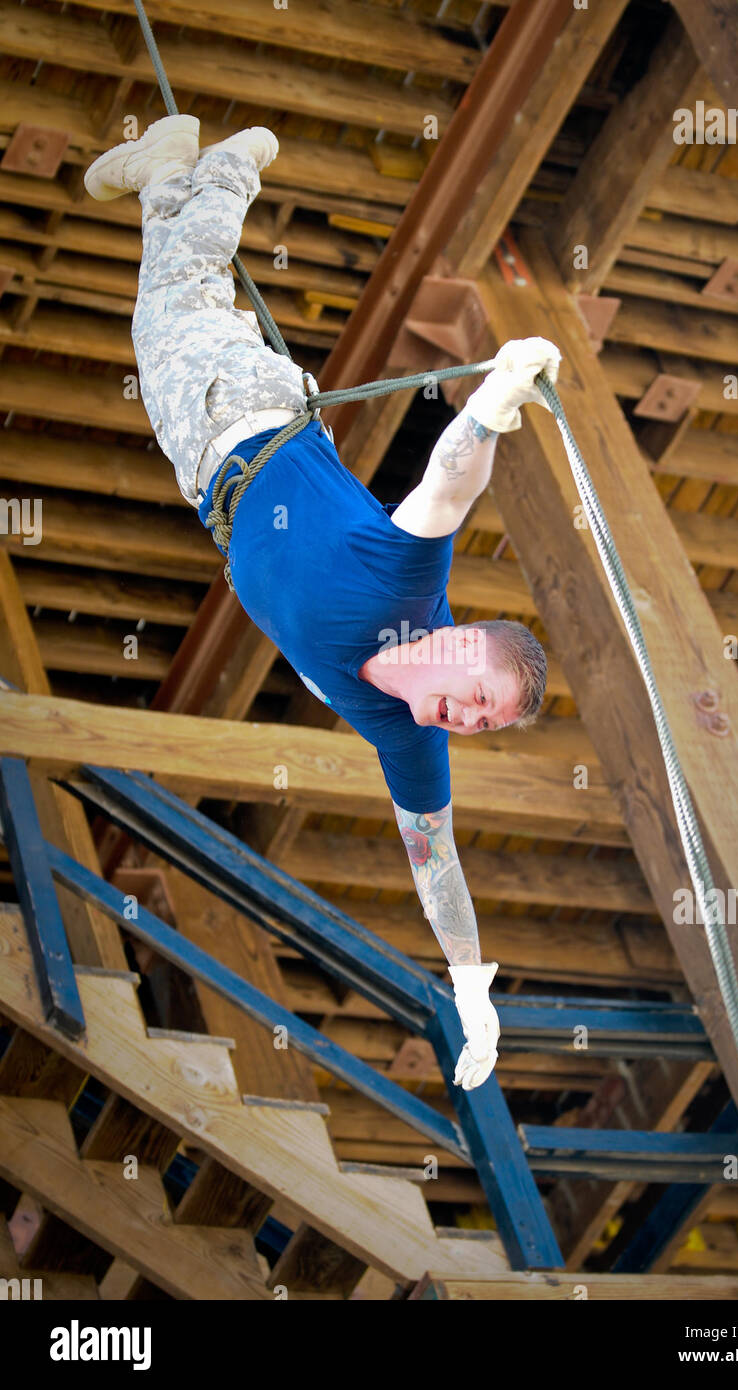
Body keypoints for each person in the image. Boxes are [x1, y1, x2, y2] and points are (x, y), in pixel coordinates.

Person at [85, 115, 562, 1090]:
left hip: (216, 475)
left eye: (480, 725)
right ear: (459, 638)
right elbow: (445, 485)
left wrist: (473, 989)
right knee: (172, 302)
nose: (463, 721)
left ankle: (176, 173)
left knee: (175, 299)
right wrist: (493, 403)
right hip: (241, 418)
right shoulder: (408, 587)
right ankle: (212, 172)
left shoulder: (403, 732)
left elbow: (437, 869)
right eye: (477, 694)